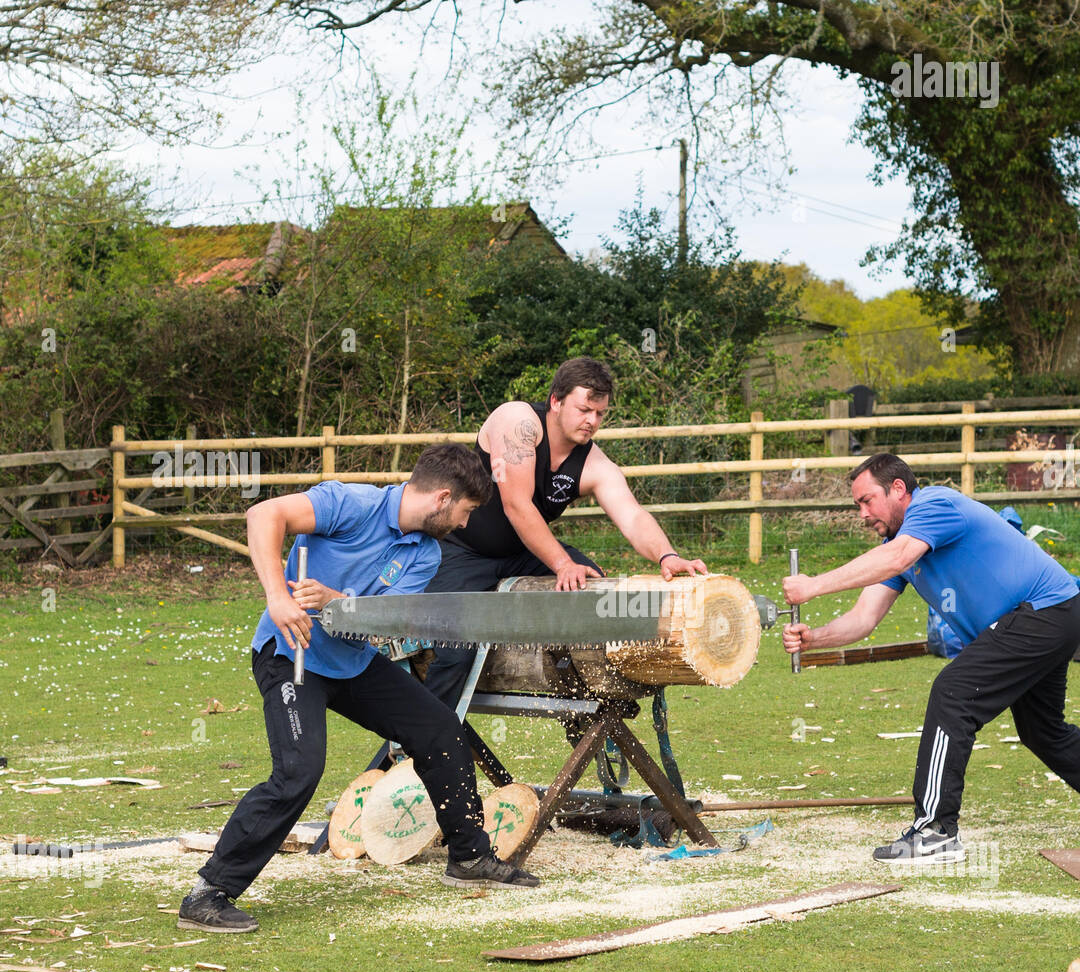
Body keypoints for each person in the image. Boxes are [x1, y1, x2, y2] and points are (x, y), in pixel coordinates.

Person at [177, 443, 540, 935]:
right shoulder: (352, 504)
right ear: (442, 497)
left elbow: (379, 625)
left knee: (439, 728)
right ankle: (210, 892)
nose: (463, 524)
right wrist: (278, 598)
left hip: (350, 664)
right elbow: (264, 514)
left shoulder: (425, 553)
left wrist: (336, 602)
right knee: (299, 769)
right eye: (466, 511)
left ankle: (469, 857)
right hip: (291, 653)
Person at [781, 453, 1080, 863]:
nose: (862, 514)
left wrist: (814, 586)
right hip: (1051, 614)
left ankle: (934, 831)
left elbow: (896, 558)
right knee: (1043, 730)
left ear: (898, 489)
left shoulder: (933, 506)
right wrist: (816, 639)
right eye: (858, 505)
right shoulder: (899, 547)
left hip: (1042, 611)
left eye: (866, 501)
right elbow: (865, 617)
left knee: (954, 693)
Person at [421, 356, 710, 710]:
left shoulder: (593, 463)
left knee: (598, 595)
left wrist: (667, 556)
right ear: (556, 401)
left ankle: (592, 717)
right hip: (462, 551)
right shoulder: (518, 422)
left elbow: (632, 516)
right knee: (455, 653)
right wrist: (561, 562)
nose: (592, 421)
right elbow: (517, 505)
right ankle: (420, 746)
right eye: (585, 409)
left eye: (600, 414)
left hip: (521, 552)